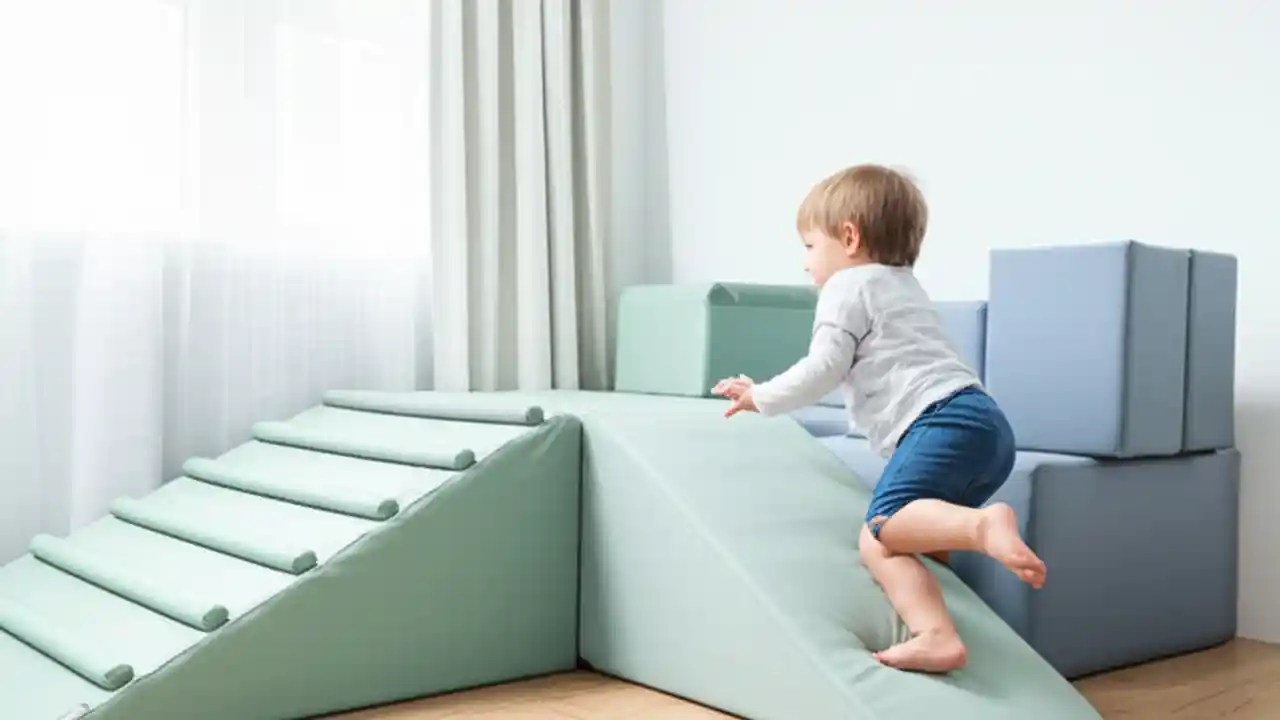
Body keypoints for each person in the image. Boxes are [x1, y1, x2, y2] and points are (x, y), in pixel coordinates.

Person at [712, 164, 1045, 673]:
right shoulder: (901, 285)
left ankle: (980, 533)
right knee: (904, 540)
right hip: (984, 424)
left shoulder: (846, 287)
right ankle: (939, 632)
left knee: (883, 524)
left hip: (940, 422)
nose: (805, 265)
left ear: (848, 237)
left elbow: (823, 368)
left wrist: (762, 396)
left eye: (808, 246)